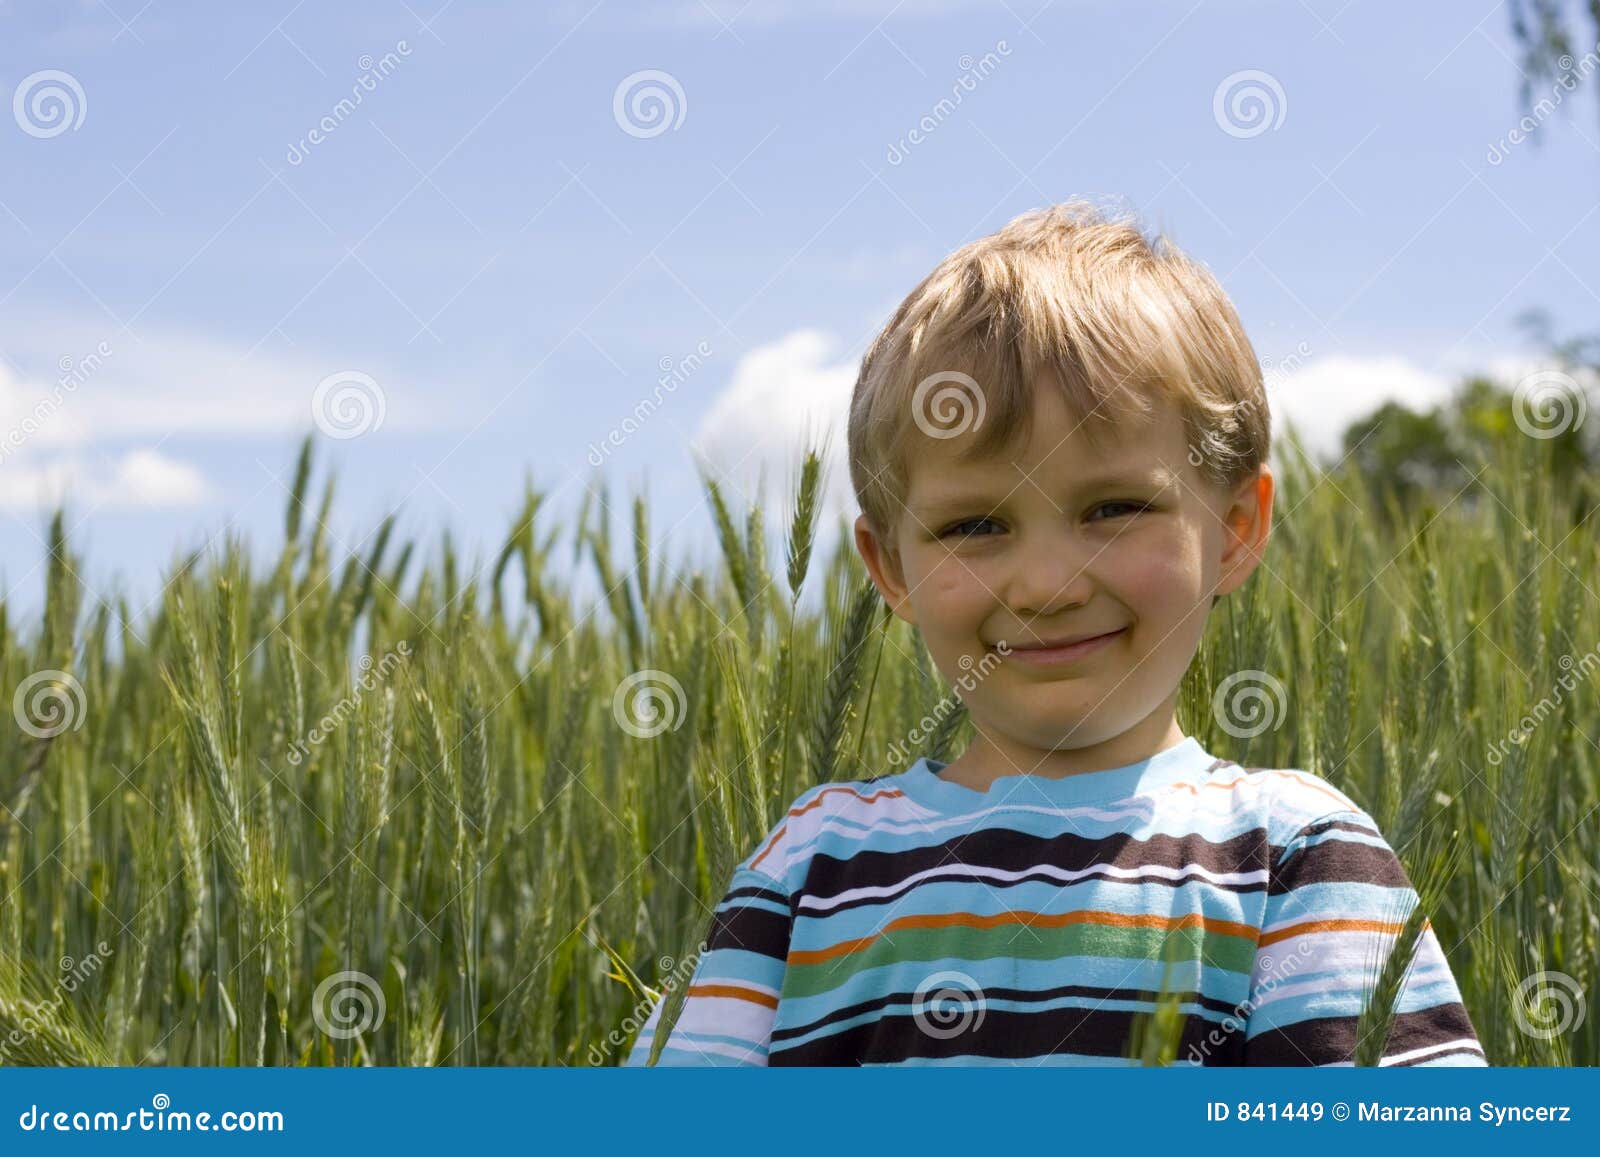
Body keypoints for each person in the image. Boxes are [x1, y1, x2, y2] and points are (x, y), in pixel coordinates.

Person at [626, 199, 1485, 1067]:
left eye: (1114, 508)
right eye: (974, 525)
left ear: (1234, 529)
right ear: (889, 568)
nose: (1046, 584)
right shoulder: (809, 870)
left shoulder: (1295, 859)